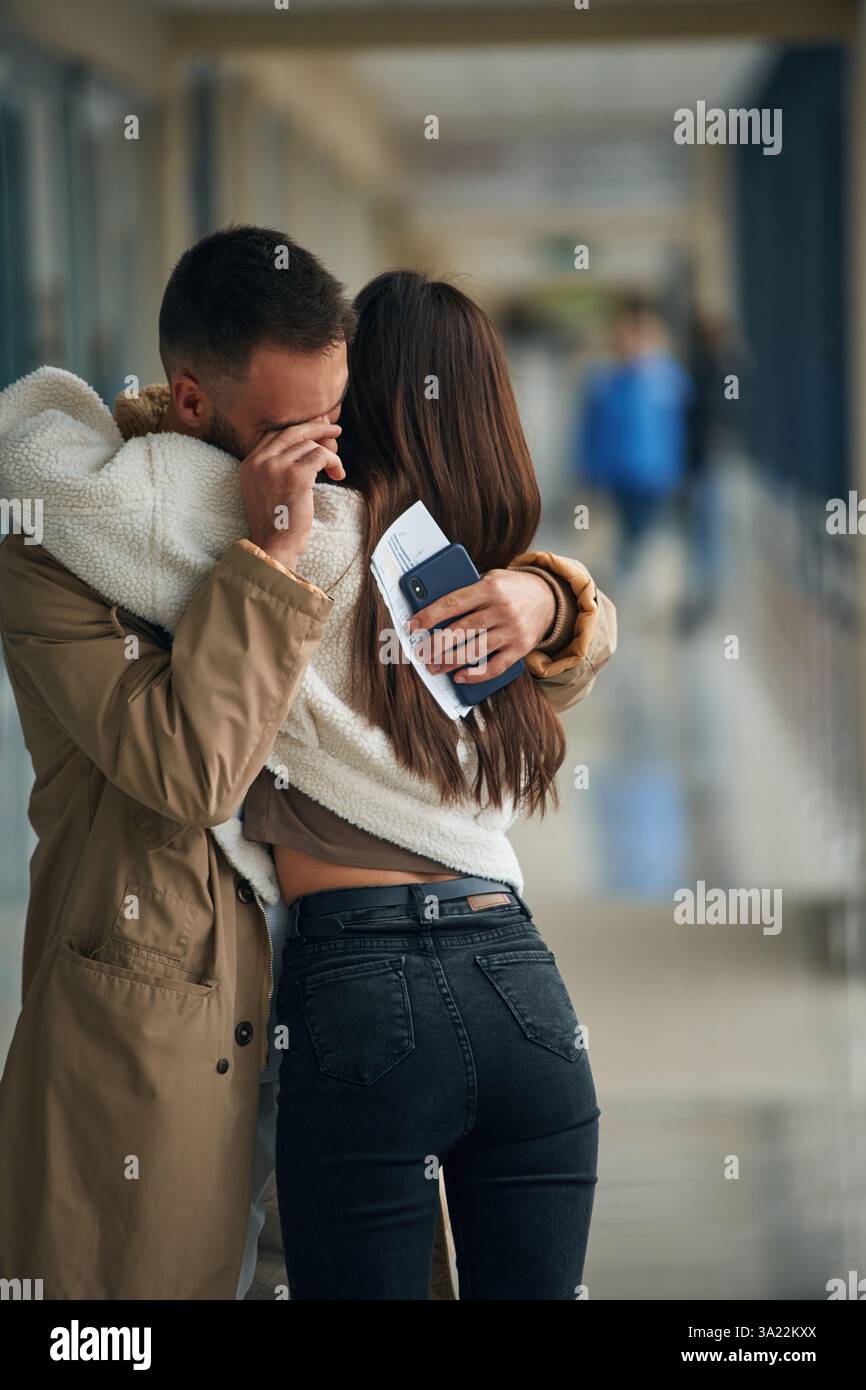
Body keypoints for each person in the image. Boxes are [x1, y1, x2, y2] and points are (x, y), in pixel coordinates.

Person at [0, 227, 615, 1300]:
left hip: (353, 1009)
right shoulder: (72, 543)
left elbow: (495, 650)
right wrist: (268, 562)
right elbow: (187, 767)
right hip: (178, 1026)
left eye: (340, 423)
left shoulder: (346, 534)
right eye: (294, 431)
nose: (327, 461)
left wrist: (551, 597)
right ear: (193, 407)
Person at [241, 271, 613, 1299]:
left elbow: (71, 488)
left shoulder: (295, 535)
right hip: (526, 994)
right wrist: (551, 591)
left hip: (357, 995)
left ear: (347, 402)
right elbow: (590, 634)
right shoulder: (492, 597)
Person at [579, 292, 693, 576]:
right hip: (617, 476)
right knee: (628, 534)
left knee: (649, 535)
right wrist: (587, 474)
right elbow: (589, 432)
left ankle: (634, 580)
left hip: (658, 475)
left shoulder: (669, 379)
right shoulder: (604, 381)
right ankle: (625, 579)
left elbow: (688, 425)